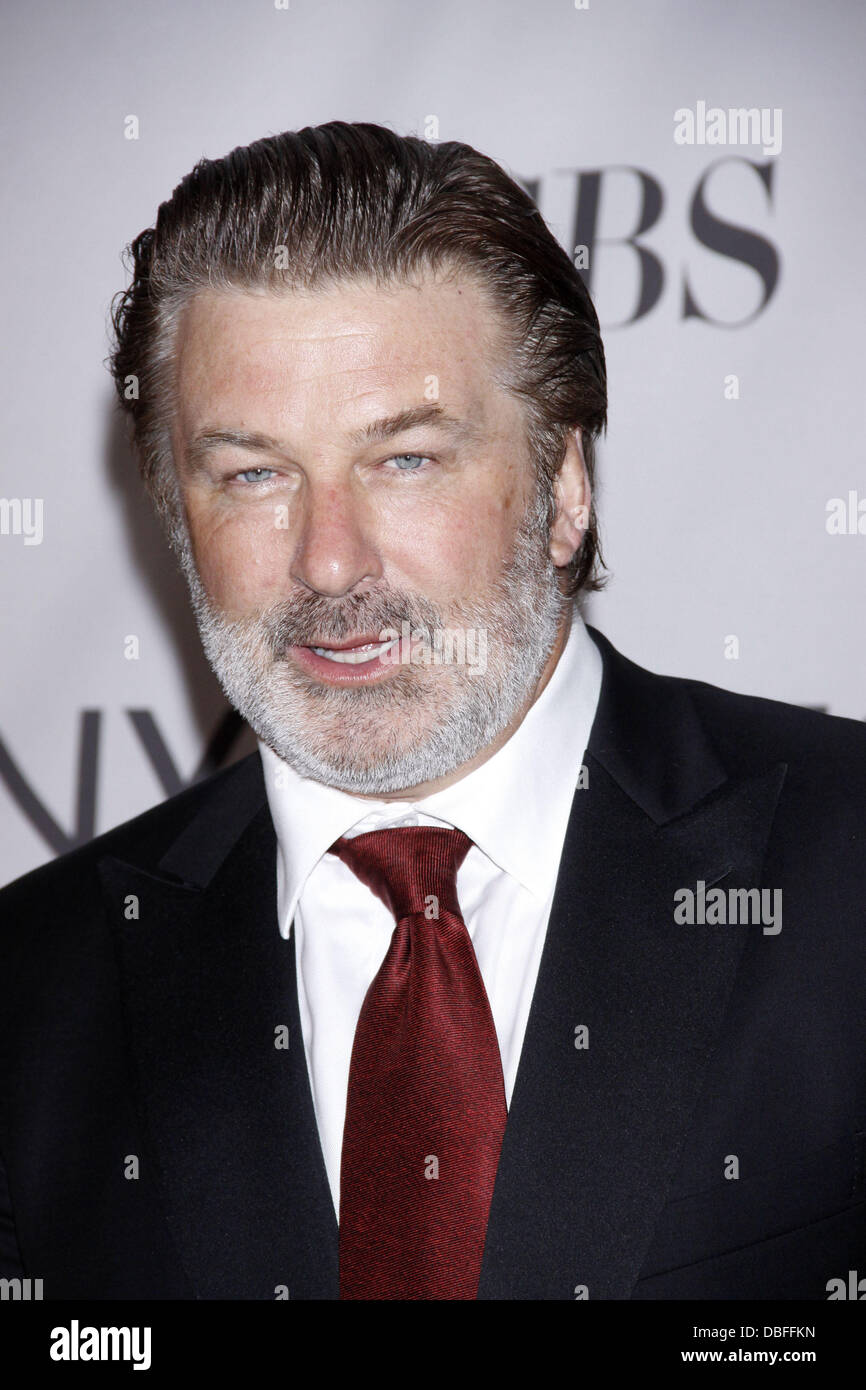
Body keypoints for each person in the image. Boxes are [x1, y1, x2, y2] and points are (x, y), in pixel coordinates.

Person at [1, 122, 864, 1302]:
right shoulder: (33, 990)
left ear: (563, 488)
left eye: (403, 458)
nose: (324, 560)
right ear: (172, 509)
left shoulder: (841, 858)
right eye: (252, 473)